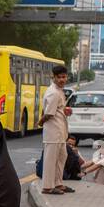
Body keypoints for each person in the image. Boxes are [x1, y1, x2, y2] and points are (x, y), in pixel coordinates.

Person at [39, 64, 73, 195]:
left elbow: (58, 109)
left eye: (64, 77)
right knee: (50, 159)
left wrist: (65, 111)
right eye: (59, 77)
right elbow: (49, 113)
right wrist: (40, 122)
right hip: (53, 131)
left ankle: (58, 183)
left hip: (59, 130)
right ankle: (47, 187)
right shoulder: (53, 92)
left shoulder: (59, 90)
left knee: (61, 157)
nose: (62, 80)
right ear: (53, 77)